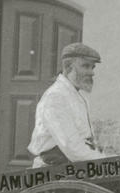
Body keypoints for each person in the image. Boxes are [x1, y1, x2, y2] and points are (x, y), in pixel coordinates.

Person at [28, 42, 105, 173]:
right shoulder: (56, 97)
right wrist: (104, 161)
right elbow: (72, 147)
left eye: (93, 67)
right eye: (86, 66)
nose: (92, 73)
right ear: (69, 67)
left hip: (75, 165)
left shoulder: (78, 96)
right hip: (57, 170)